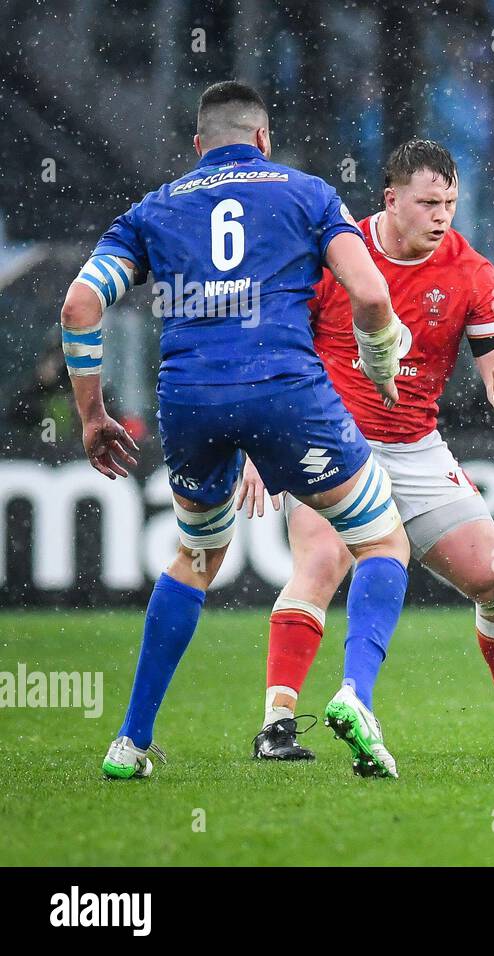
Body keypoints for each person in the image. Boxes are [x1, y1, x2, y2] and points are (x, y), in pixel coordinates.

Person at [62, 81, 412, 780]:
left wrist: (92, 414)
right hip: (285, 389)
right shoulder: (306, 193)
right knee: (381, 538)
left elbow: (78, 305)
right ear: (263, 138)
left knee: (195, 554)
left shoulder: (154, 210)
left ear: (198, 146)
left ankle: (130, 742)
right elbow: (371, 294)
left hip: (191, 399)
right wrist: (380, 366)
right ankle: (355, 696)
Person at [238, 139, 494, 761]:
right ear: (390, 199)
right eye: (428, 202)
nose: (441, 216)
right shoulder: (334, 254)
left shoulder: (471, 272)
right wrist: (258, 444)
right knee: (322, 564)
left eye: (451, 204)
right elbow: (275, 350)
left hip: (415, 446)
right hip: (332, 439)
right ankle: (277, 724)